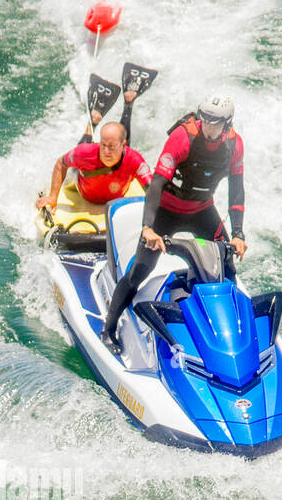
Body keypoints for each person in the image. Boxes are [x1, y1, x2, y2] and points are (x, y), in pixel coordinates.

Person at [101, 94, 247, 352]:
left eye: (215, 122)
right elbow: (156, 184)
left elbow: (237, 189)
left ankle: (231, 338)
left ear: (227, 123)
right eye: (205, 119)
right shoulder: (183, 137)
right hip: (167, 211)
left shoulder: (235, 145)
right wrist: (148, 227)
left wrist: (238, 234)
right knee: (139, 272)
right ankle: (108, 329)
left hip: (202, 211)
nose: (207, 125)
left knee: (228, 269)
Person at [37, 120, 152, 215]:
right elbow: (61, 163)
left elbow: (153, 189)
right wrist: (53, 197)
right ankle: (91, 125)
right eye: (103, 145)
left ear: (123, 145)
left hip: (114, 198)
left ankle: (128, 105)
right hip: (80, 184)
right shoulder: (85, 153)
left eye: (111, 146)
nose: (106, 151)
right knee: (81, 149)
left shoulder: (134, 160)